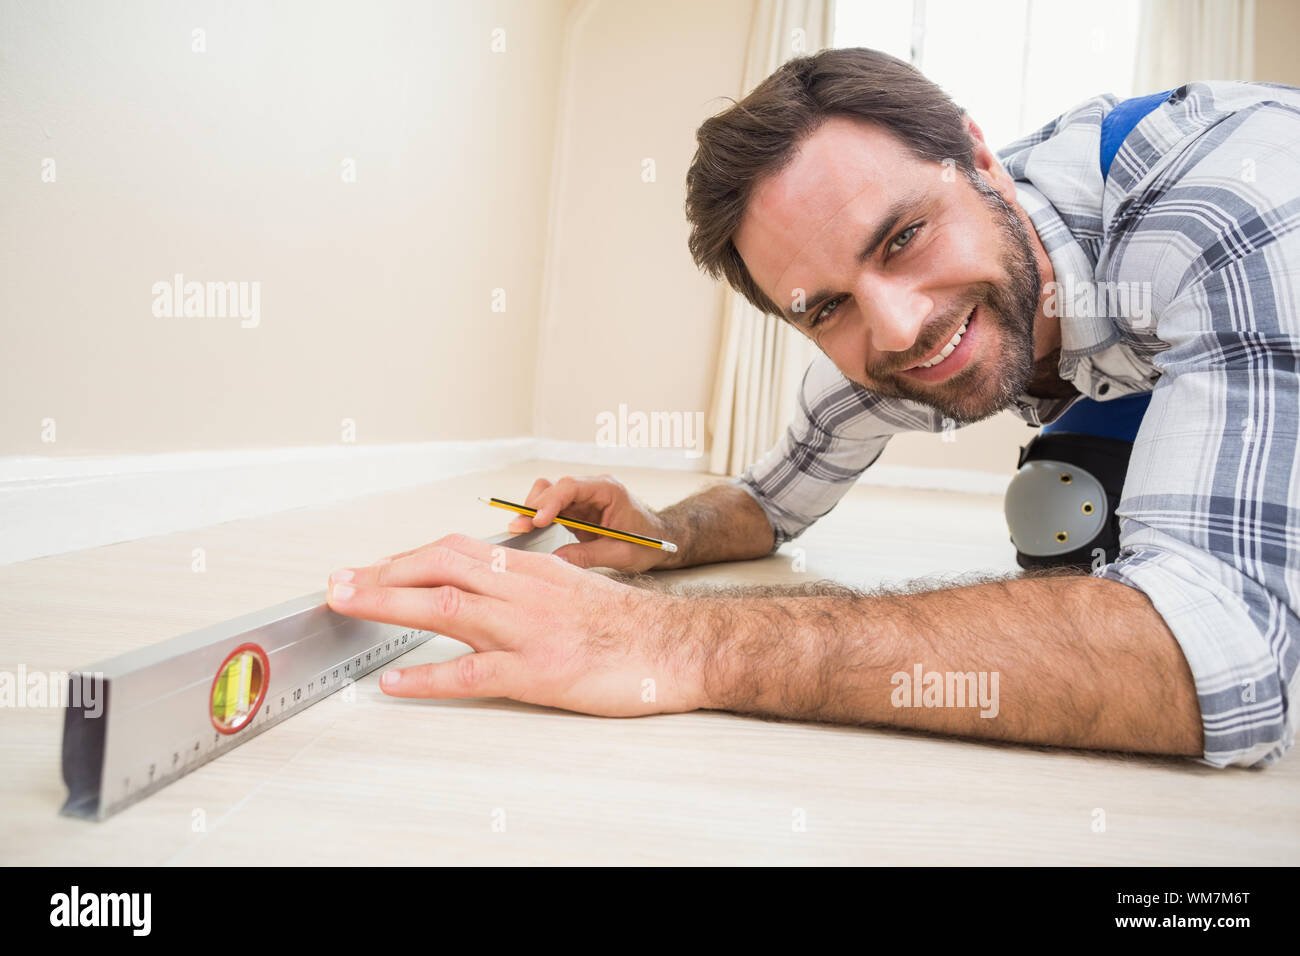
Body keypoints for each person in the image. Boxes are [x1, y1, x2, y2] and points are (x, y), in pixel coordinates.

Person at [327, 48, 1299, 768]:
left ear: (981, 162)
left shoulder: (1222, 208)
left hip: (1259, 295)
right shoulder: (866, 350)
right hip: (1156, 366)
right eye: (824, 305)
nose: (900, 326)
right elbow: (769, 502)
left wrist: (677, 640)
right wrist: (660, 534)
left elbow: (1226, 656)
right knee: (1062, 519)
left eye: (904, 236)